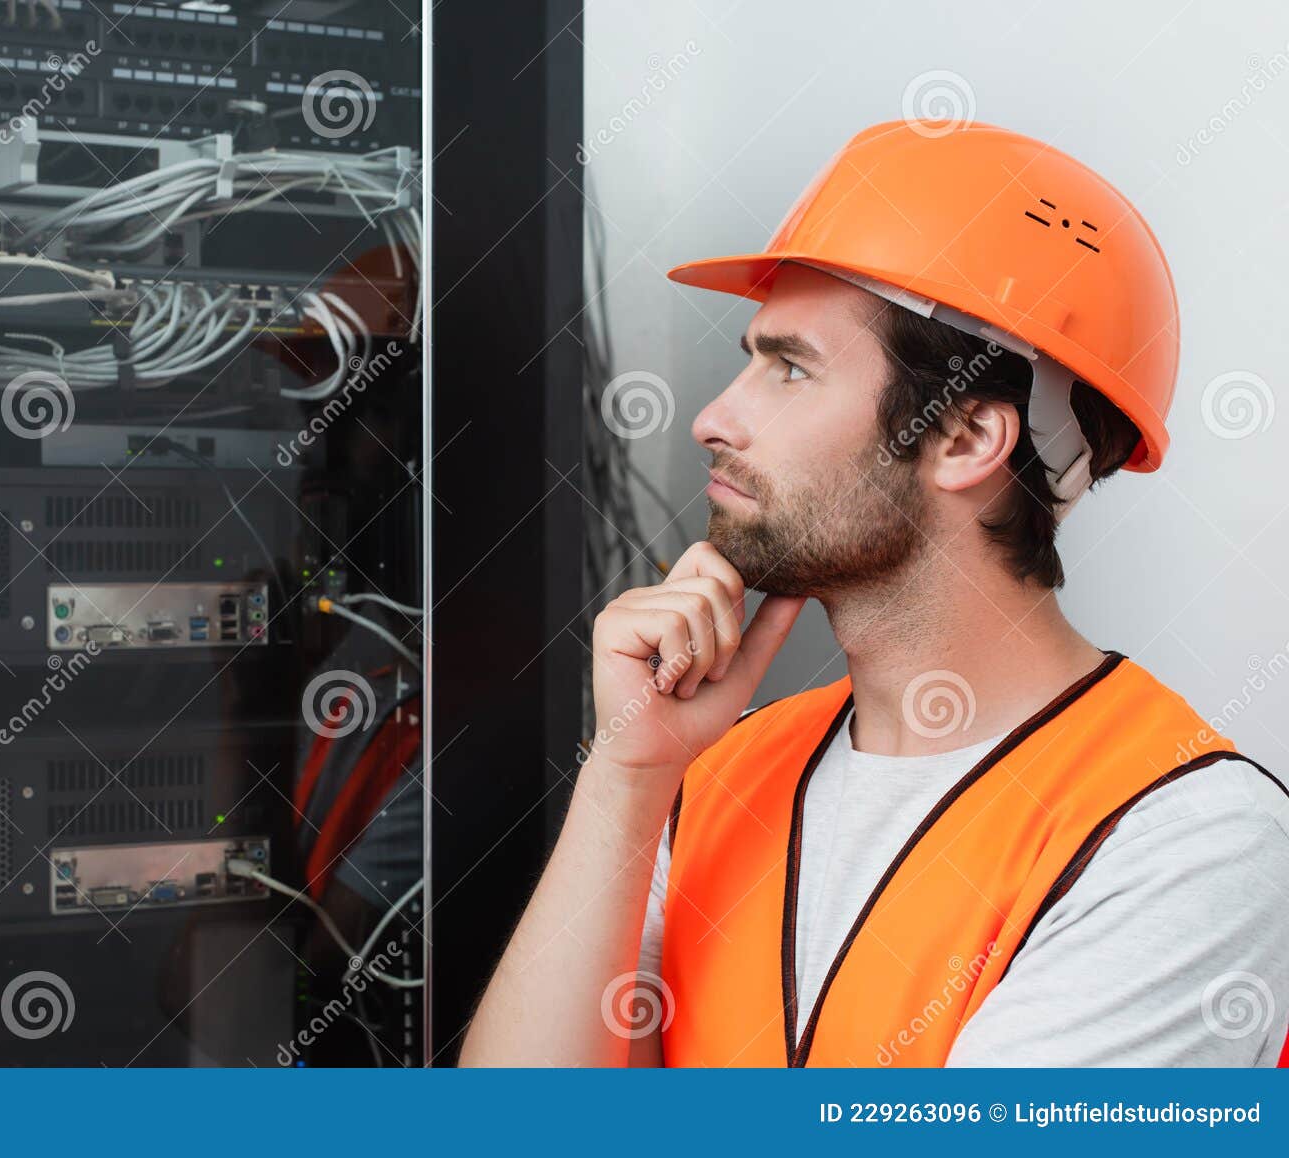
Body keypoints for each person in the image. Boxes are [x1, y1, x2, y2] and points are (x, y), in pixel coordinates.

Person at [460, 121, 1289, 1067]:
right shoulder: (723, 772)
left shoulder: (1178, 840)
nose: (712, 417)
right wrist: (626, 778)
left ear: (967, 438)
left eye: (790, 368)